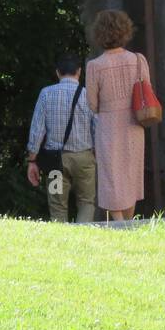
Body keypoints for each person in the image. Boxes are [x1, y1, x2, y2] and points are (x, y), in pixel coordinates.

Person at [85, 10, 152, 221]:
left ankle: (119, 223)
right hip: (133, 124)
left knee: (111, 175)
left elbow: (92, 104)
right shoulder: (139, 60)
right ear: (125, 31)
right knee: (131, 173)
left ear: (99, 34)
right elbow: (147, 92)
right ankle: (128, 223)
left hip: (108, 126)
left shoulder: (94, 66)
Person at [25, 54, 97, 223]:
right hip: (84, 160)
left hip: (54, 162)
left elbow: (37, 131)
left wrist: (32, 161)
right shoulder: (88, 96)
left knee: (57, 204)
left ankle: (62, 241)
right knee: (87, 202)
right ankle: (83, 238)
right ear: (79, 72)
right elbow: (98, 128)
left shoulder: (46, 94)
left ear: (57, 73)